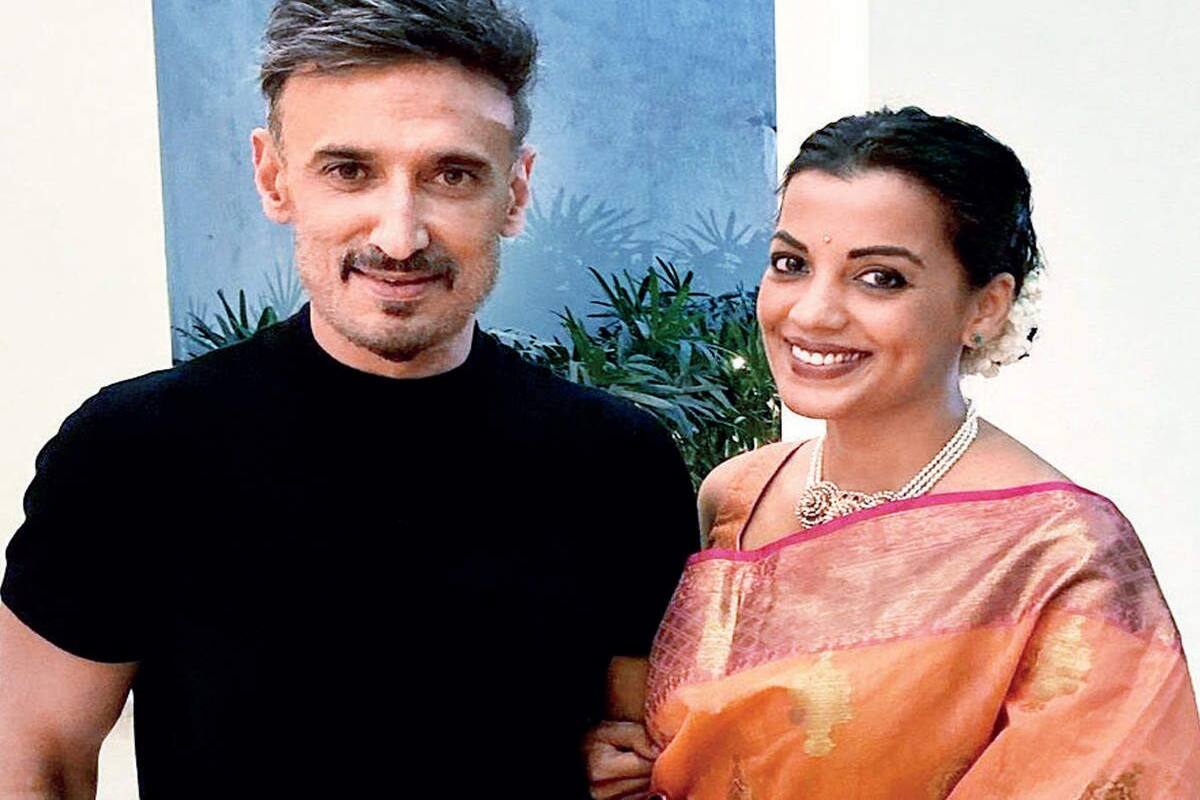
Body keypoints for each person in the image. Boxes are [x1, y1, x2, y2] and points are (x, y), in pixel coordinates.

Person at [0, 2, 698, 798]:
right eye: (349, 171)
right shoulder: (133, 452)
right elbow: (36, 758)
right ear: (274, 178)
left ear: (515, 191)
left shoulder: (617, 462)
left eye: (452, 175)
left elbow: (646, 751)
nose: (399, 237)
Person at [586, 107, 1200, 799]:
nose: (811, 312)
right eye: (791, 264)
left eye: (880, 278)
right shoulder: (736, 495)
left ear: (986, 307)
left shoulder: (1061, 553)